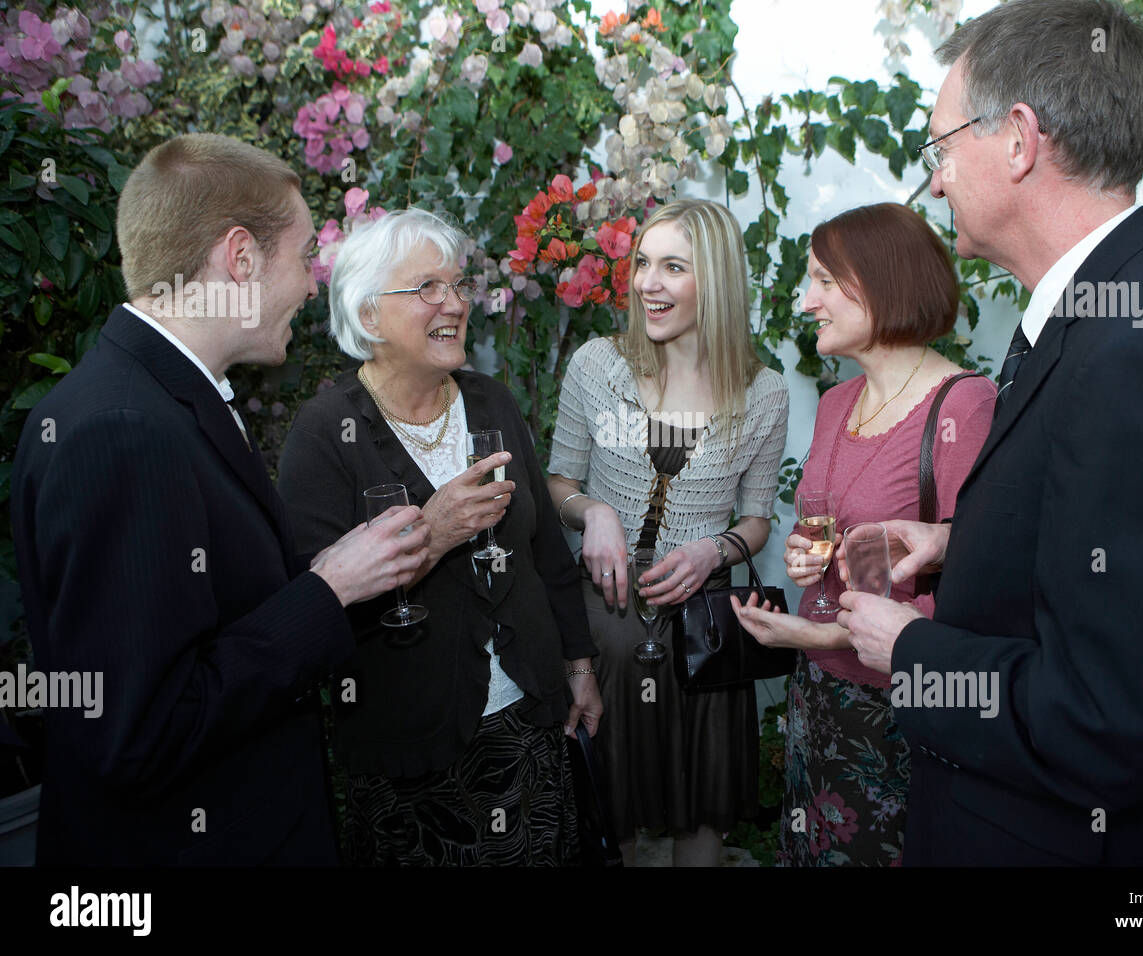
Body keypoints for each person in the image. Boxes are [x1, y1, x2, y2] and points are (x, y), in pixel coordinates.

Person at [837, 0, 1143, 865]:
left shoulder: (1139, 353)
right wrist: (953, 544)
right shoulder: (1112, 313)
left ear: (1018, 139)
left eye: (940, 147)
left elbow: (1114, 722)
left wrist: (913, 650)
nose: (934, 181)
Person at [9, 133, 432, 866]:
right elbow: (141, 731)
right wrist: (326, 593)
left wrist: (320, 575)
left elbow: (205, 615)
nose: (310, 286)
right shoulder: (122, 431)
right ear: (240, 257)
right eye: (303, 257)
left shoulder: (156, 398)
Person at [277, 207, 600, 866]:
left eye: (456, 285)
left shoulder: (491, 402)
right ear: (370, 317)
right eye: (427, 288)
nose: (455, 302)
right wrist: (437, 530)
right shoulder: (324, 434)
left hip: (528, 721)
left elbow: (545, 555)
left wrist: (579, 666)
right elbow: (316, 610)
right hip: (412, 748)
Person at [731, 204, 995, 866]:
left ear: (880, 281)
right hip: (818, 691)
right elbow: (821, 527)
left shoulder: (963, 406)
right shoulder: (835, 403)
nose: (806, 299)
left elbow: (979, 580)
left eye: (823, 280)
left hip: (902, 705)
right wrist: (804, 556)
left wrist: (819, 633)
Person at [547, 198, 789, 866]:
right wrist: (594, 514)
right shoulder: (598, 367)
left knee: (702, 805)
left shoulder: (762, 392)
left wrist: (716, 548)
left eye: (673, 267)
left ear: (714, 281)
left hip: (703, 632)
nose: (648, 283)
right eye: (643, 263)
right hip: (608, 625)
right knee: (611, 800)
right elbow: (558, 482)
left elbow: (759, 518)